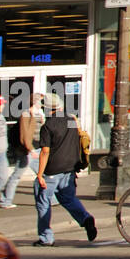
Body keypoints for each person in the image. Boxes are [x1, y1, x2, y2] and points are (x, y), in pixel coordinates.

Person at [33, 92, 96, 246]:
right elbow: (80, 138)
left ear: (47, 109)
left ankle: (46, 238)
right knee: (68, 198)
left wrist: (40, 174)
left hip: (52, 170)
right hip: (70, 168)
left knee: (43, 202)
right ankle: (85, 218)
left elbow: (45, 151)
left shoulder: (47, 126)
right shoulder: (71, 120)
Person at [0, 92, 44, 209]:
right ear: (35, 102)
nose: (42, 104)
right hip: (27, 150)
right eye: (40, 101)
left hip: (35, 148)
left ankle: (49, 199)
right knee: (17, 175)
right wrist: (31, 149)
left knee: (43, 174)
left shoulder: (38, 114)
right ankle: (5, 200)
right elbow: (24, 135)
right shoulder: (26, 114)